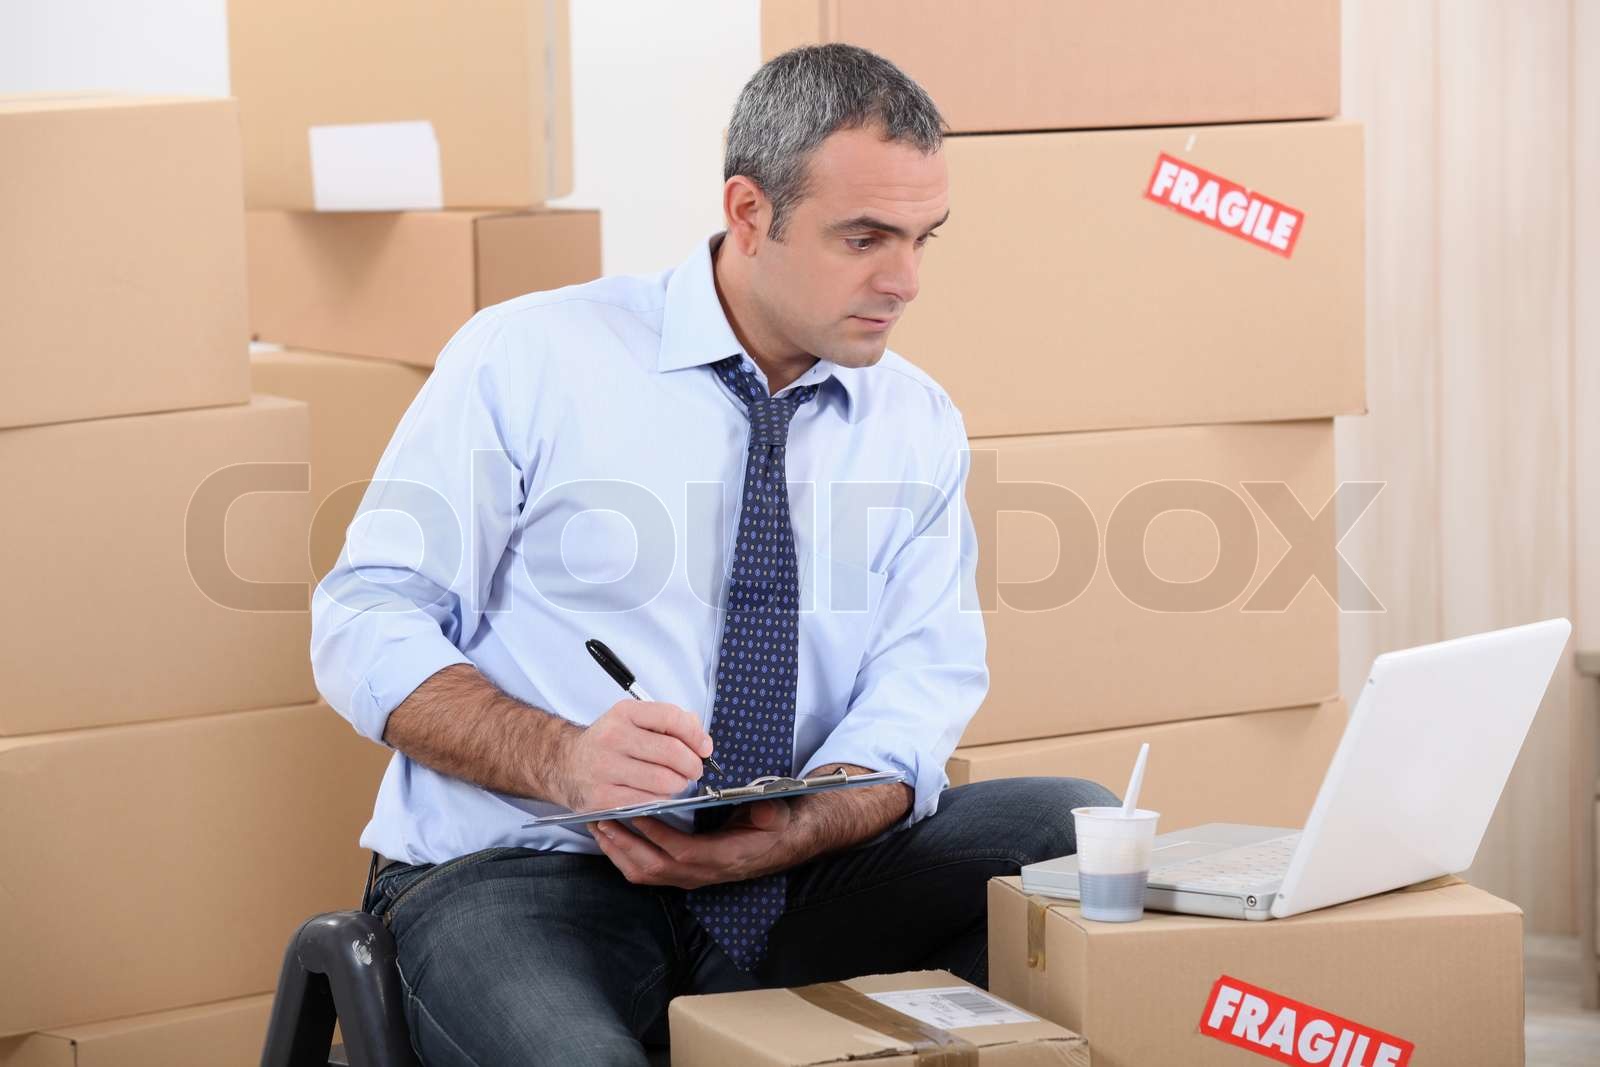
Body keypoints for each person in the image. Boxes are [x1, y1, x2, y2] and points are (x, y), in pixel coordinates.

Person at [311, 43, 1114, 1067]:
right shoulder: (532, 356)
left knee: (1070, 826)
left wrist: (809, 820)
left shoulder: (914, 420)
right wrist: (562, 756)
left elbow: (921, 684)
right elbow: (364, 616)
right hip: (528, 870)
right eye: (864, 236)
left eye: (922, 238)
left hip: (790, 876)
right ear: (748, 211)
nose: (903, 279)